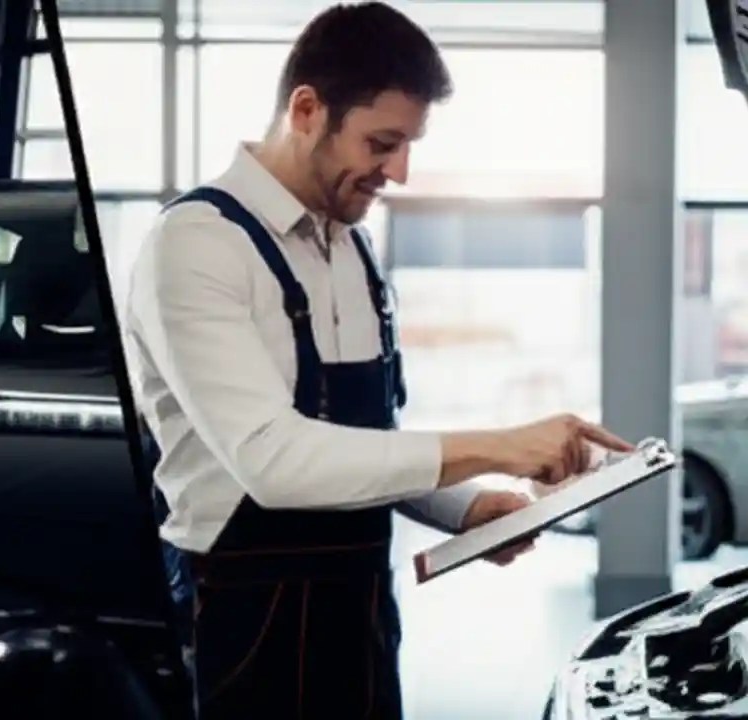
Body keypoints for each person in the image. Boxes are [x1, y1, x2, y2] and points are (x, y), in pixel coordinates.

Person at [122, 4, 634, 719]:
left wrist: (465, 509)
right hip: (239, 620)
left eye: (408, 145)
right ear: (307, 110)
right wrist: (505, 447)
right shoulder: (197, 246)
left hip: (359, 604)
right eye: (382, 142)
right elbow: (275, 461)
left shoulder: (351, 248)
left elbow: (367, 444)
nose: (398, 171)